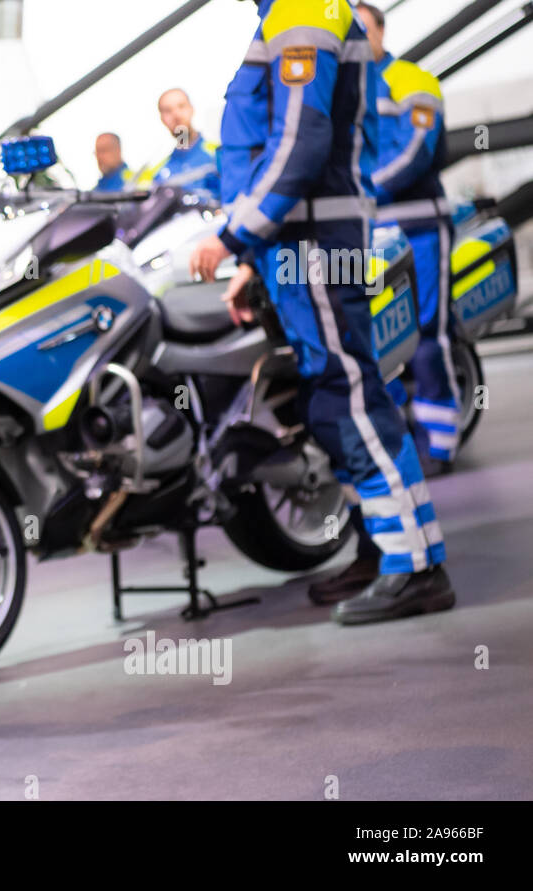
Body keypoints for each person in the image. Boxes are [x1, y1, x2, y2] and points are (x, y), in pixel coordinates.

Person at [192, 0, 454, 626]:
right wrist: (255, 256)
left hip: (313, 243)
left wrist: (234, 235)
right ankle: (381, 548)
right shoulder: (293, 12)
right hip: (297, 243)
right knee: (334, 397)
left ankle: (415, 565)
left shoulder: (303, 10)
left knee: (348, 395)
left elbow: (299, 144)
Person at [361, 2, 460, 474]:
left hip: (418, 225)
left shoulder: (411, 78)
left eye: (363, 29)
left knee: (424, 334)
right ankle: (400, 441)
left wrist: (362, 189)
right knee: (382, 339)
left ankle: (441, 441)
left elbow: (417, 151)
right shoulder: (346, 86)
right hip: (367, 233)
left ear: (381, 29)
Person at [134, 88, 221, 197]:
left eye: (181, 106)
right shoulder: (158, 170)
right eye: (168, 111)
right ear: (162, 118)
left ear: (191, 109)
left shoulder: (217, 152)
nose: (176, 115)